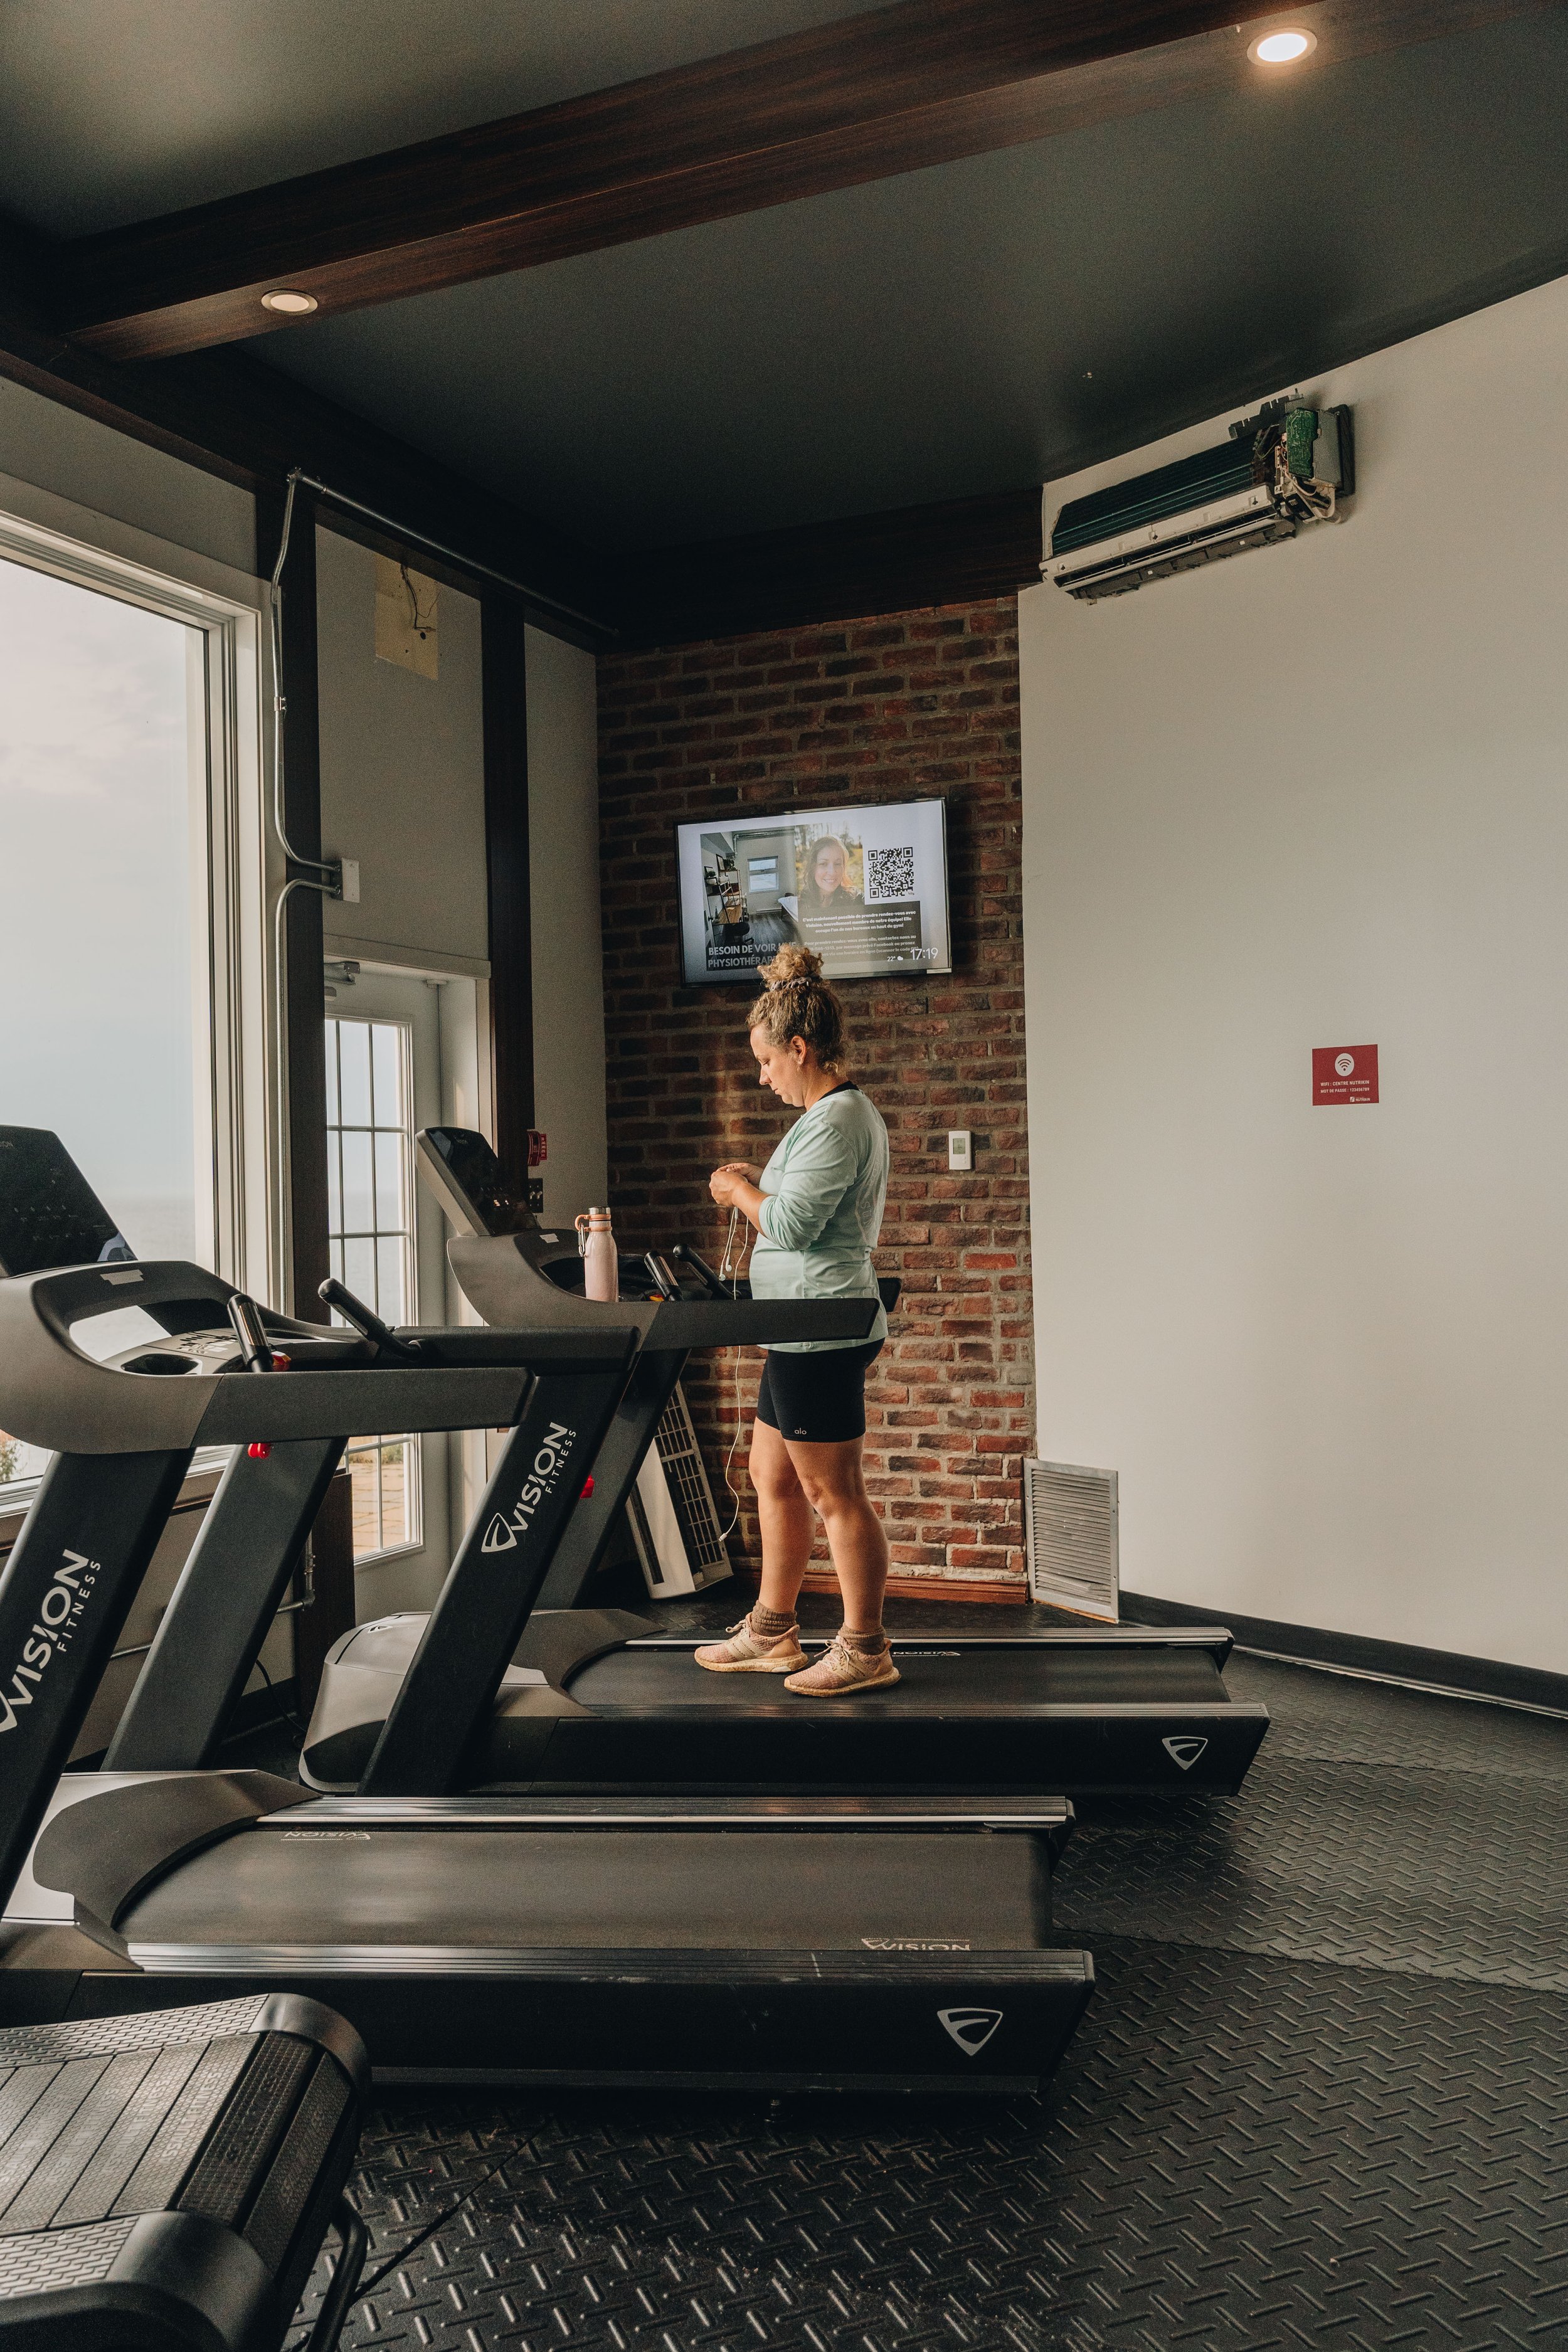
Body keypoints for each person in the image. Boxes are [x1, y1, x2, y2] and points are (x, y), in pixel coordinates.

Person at [697, 943, 896, 1695]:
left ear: (799, 1048)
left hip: (821, 1330)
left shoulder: (838, 1119)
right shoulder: (820, 1119)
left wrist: (735, 1194)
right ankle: (773, 1630)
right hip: (795, 1327)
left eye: (766, 1062)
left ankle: (865, 1647)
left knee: (832, 1493)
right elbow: (800, 1202)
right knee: (770, 1477)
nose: (762, 1076)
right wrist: (759, 1179)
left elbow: (792, 1228)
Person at [795, 834, 864, 918]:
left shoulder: (857, 901)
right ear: (813, 868)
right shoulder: (798, 907)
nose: (832, 872)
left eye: (838, 864)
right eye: (823, 864)